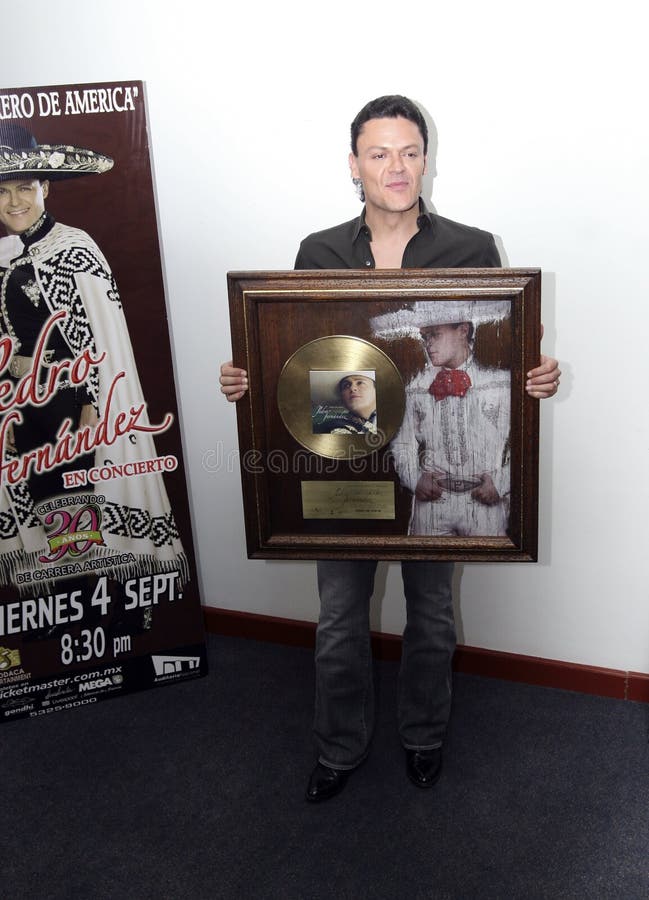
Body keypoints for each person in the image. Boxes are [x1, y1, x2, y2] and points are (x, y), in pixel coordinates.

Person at [220, 95, 560, 802]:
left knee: (430, 615)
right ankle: (337, 750)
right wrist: (248, 378)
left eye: (408, 151)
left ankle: (422, 739)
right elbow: (302, 358)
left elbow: (503, 340)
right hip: (349, 459)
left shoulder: (471, 246)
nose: (395, 166)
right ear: (354, 164)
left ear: (425, 159)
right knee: (340, 620)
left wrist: (535, 376)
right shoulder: (317, 251)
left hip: (441, 466)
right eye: (379, 153)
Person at [0, 124, 187, 589]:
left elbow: (101, 344)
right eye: (2, 190)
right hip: (21, 408)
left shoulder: (75, 249)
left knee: (78, 510)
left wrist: (92, 413)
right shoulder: (4, 255)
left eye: (25, 187)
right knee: (38, 506)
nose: (14, 202)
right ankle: (61, 602)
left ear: (46, 188)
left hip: (71, 405)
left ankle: (99, 605)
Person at [371, 300, 511, 536]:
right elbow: (402, 443)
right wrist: (415, 479)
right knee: (425, 569)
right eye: (425, 337)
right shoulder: (415, 388)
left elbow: (525, 442)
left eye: (435, 334)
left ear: (463, 330)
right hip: (433, 504)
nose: (429, 344)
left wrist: (501, 482)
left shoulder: (500, 384)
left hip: (485, 501)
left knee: (489, 572)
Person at [311, 370, 377, 434]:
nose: (352, 388)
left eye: (360, 383)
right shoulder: (335, 426)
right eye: (346, 385)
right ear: (342, 399)